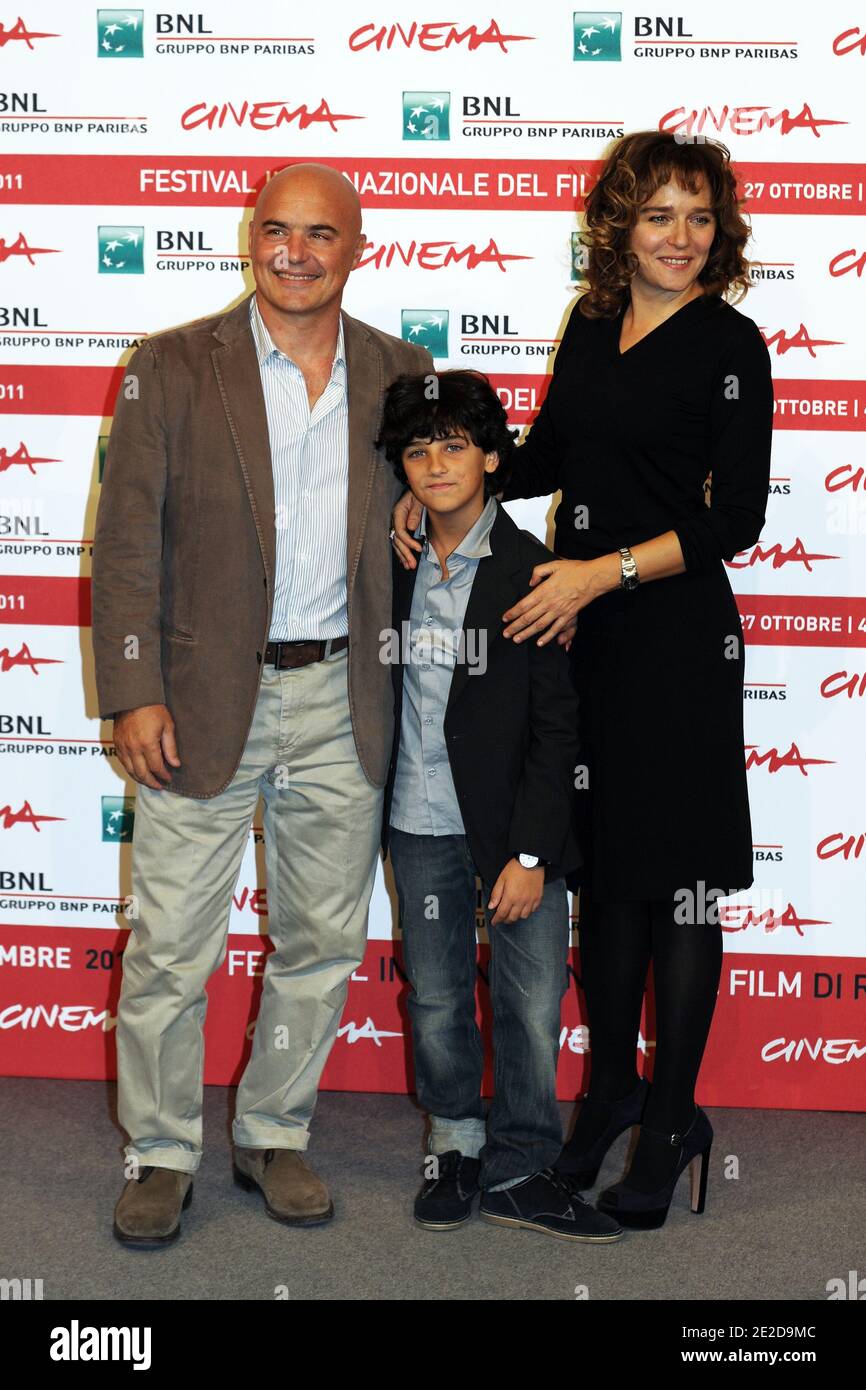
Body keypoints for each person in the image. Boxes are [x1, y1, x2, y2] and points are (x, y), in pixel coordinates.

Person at [391, 132, 774, 1230]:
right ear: (619, 226)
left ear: (719, 230)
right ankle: (606, 1093)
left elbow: (731, 520)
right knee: (602, 871)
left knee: (678, 883)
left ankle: (668, 1123)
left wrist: (599, 572)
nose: (679, 237)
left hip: (669, 636)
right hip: (580, 632)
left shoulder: (730, 343)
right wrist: (445, 481)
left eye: (698, 218)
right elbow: (545, 455)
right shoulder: (591, 325)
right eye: (657, 215)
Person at [92, 163, 432, 1246]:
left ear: (356, 247)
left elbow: (437, 515)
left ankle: (273, 1132)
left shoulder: (401, 371)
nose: (293, 250)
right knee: (170, 946)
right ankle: (159, 1150)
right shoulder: (170, 365)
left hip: (343, 693)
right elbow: (127, 544)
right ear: (251, 237)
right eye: (275, 230)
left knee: (322, 940)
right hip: (196, 696)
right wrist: (133, 688)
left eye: (318, 234)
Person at [379, 369, 623, 1243]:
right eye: (417, 448)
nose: (436, 464)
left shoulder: (534, 573)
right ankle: (454, 1142)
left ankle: (523, 1164)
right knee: (438, 995)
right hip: (417, 816)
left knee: (529, 1001)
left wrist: (529, 853)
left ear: (490, 456)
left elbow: (559, 731)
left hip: (515, 828)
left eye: (454, 445)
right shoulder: (390, 562)